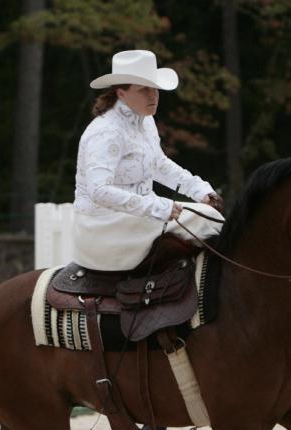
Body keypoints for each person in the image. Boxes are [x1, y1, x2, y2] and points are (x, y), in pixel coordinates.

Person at [73, 49, 225, 271]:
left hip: (137, 216)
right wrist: (156, 206)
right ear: (121, 93)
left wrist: (200, 191)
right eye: (144, 89)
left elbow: (159, 166)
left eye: (155, 88)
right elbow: (99, 191)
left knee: (210, 216)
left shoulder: (145, 121)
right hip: (104, 226)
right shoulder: (106, 132)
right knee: (210, 222)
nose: (153, 95)